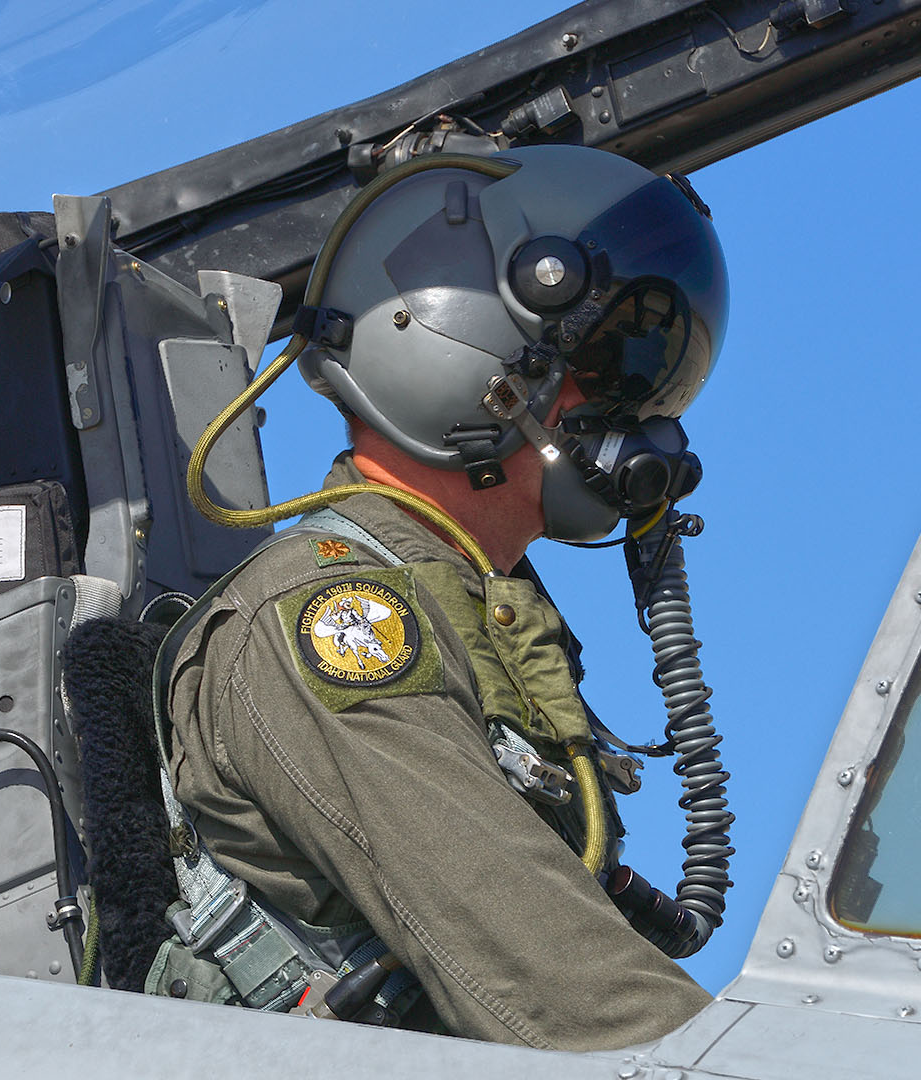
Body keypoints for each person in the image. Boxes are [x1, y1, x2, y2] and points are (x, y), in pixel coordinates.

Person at [161, 144, 730, 1050]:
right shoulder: (335, 619)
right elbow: (559, 989)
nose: (644, 419)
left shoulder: (473, 605)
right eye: (612, 369)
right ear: (459, 354)